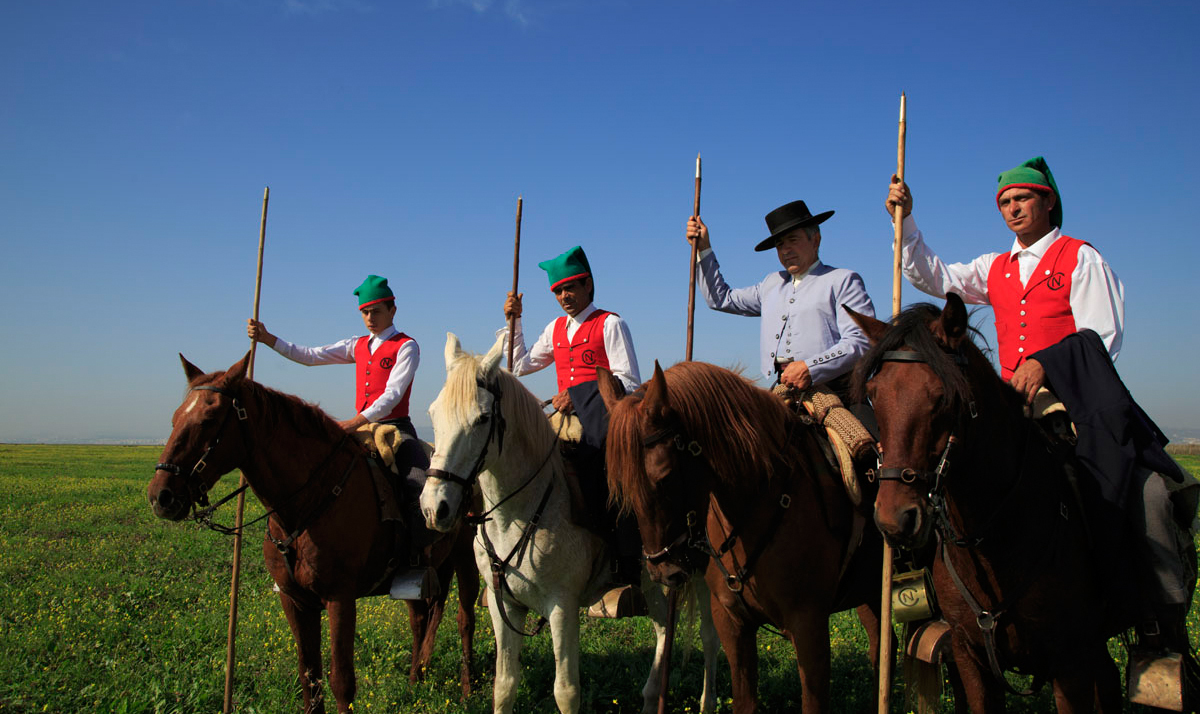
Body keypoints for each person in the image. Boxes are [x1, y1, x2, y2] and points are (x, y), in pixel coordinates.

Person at [886, 157, 1195, 657]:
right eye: (1005, 202)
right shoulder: (995, 268)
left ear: (1048, 200)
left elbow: (1103, 334)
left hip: (1079, 402)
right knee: (928, 471)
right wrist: (907, 220)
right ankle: (926, 605)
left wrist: (1046, 364)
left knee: (1149, 493)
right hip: (1009, 410)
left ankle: (1160, 631)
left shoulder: (1080, 257)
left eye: (1023, 198)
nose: (1013, 209)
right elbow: (933, 275)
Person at [248, 274, 435, 597]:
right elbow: (309, 356)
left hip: (395, 429)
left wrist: (354, 422)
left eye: (376, 311)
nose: (369, 318)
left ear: (392, 310)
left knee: (417, 484)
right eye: (364, 312)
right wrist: (268, 339)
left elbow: (392, 394)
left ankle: (414, 562)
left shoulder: (406, 346)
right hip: (359, 429)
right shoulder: (357, 345)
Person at [500, 245, 644, 615]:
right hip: (561, 420)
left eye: (571, 288)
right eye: (559, 291)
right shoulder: (555, 329)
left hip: (601, 420)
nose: (565, 296)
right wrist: (515, 323)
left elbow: (629, 380)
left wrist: (578, 394)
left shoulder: (610, 323)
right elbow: (518, 365)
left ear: (588, 285)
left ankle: (622, 565)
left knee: (609, 479)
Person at [685, 200, 876, 399]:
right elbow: (721, 299)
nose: (786, 250)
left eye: (793, 240)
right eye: (780, 244)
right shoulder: (771, 284)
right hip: (783, 388)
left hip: (834, 389)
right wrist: (704, 249)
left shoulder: (843, 280)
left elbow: (860, 341)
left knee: (858, 431)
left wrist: (810, 368)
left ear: (816, 240)